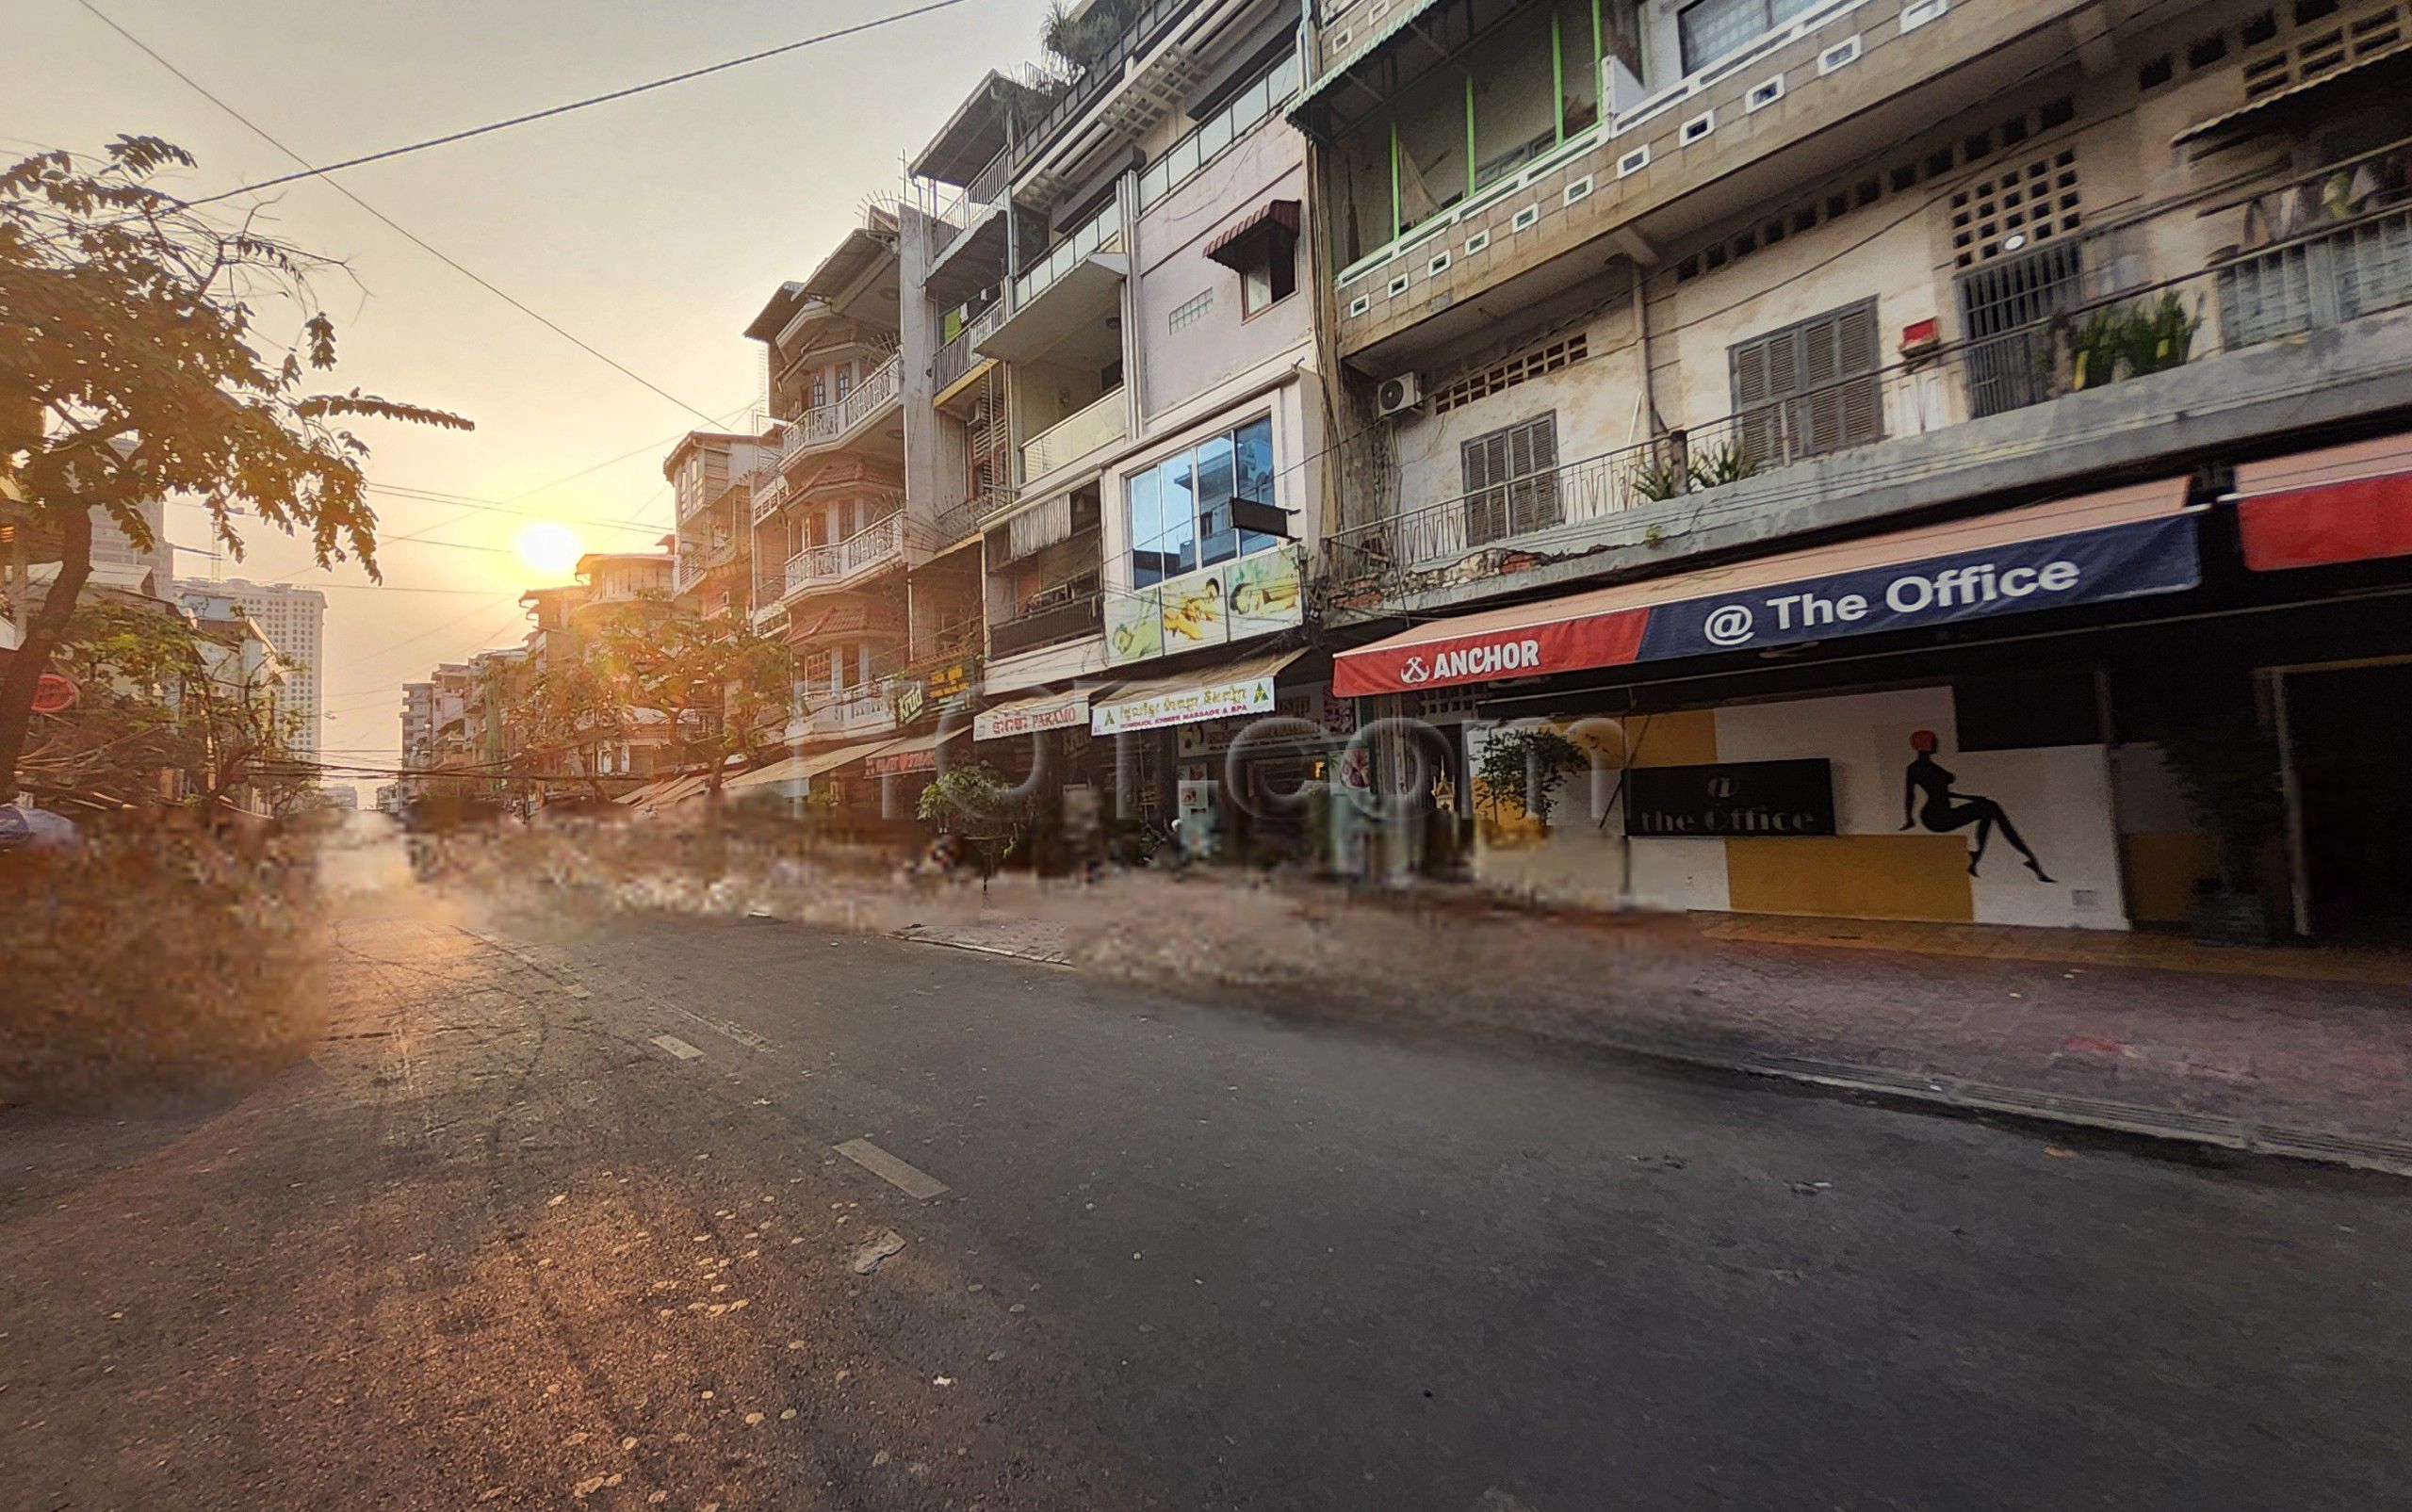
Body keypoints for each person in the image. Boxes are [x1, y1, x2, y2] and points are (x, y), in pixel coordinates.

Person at [1899, 729, 2054, 881]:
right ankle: (2028, 858)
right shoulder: (1921, 768)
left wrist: (1971, 798)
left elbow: (1940, 793)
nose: (1936, 744)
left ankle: (1978, 858)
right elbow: (1911, 795)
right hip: (1937, 818)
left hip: (1937, 814)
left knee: (1988, 809)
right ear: (1924, 744)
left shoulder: (1919, 768)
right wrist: (1909, 819)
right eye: (1933, 741)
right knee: (1992, 808)